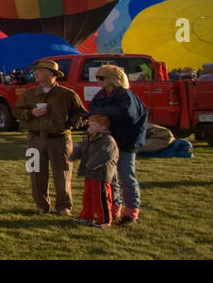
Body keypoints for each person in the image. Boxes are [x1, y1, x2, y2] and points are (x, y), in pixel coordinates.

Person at [14, 59, 89, 216]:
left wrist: (69, 124)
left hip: (59, 139)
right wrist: (31, 113)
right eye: (36, 71)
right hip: (34, 139)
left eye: (39, 71)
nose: (35, 73)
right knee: (35, 173)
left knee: (62, 174)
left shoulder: (67, 95)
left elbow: (81, 114)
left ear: (51, 74)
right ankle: (41, 205)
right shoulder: (29, 94)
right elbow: (17, 111)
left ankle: (63, 206)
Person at [88, 64, 148, 224]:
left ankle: (131, 211)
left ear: (113, 79)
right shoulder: (101, 95)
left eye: (101, 77)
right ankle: (114, 208)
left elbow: (128, 116)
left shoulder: (126, 95)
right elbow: (92, 110)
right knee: (111, 177)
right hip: (108, 142)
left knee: (127, 176)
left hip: (125, 142)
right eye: (97, 77)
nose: (98, 81)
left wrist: (104, 112)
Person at [71, 114, 119, 227]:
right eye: (90, 124)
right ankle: (87, 216)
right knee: (87, 196)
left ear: (103, 127)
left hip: (100, 174)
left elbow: (106, 154)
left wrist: (91, 164)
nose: (90, 127)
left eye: (94, 125)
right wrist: (74, 154)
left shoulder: (108, 140)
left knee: (101, 197)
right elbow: (82, 148)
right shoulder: (90, 138)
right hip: (89, 173)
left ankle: (105, 220)